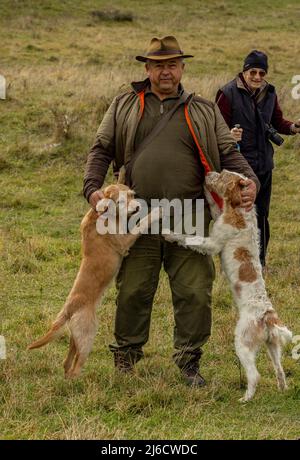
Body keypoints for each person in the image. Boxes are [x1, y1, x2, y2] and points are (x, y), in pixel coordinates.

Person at [83, 36, 259, 386]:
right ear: (147, 69)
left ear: (182, 68)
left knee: (194, 290)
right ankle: (127, 360)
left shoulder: (204, 109)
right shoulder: (124, 104)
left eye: (172, 64)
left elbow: (228, 153)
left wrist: (249, 179)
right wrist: (92, 188)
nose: (166, 71)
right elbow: (101, 148)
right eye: (159, 65)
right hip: (134, 216)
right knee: (133, 289)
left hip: (189, 214)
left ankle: (189, 363)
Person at [216, 50, 300, 267]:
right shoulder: (227, 93)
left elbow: (278, 121)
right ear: (244, 71)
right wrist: (229, 136)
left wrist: (292, 127)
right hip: (238, 165)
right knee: (239, 216)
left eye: (262, 73)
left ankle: (260, 263)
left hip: (264, 164)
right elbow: (215, 129)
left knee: (262, 215)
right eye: (253, 71)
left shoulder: (270, 92)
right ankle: (233, 262)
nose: (257, 77)